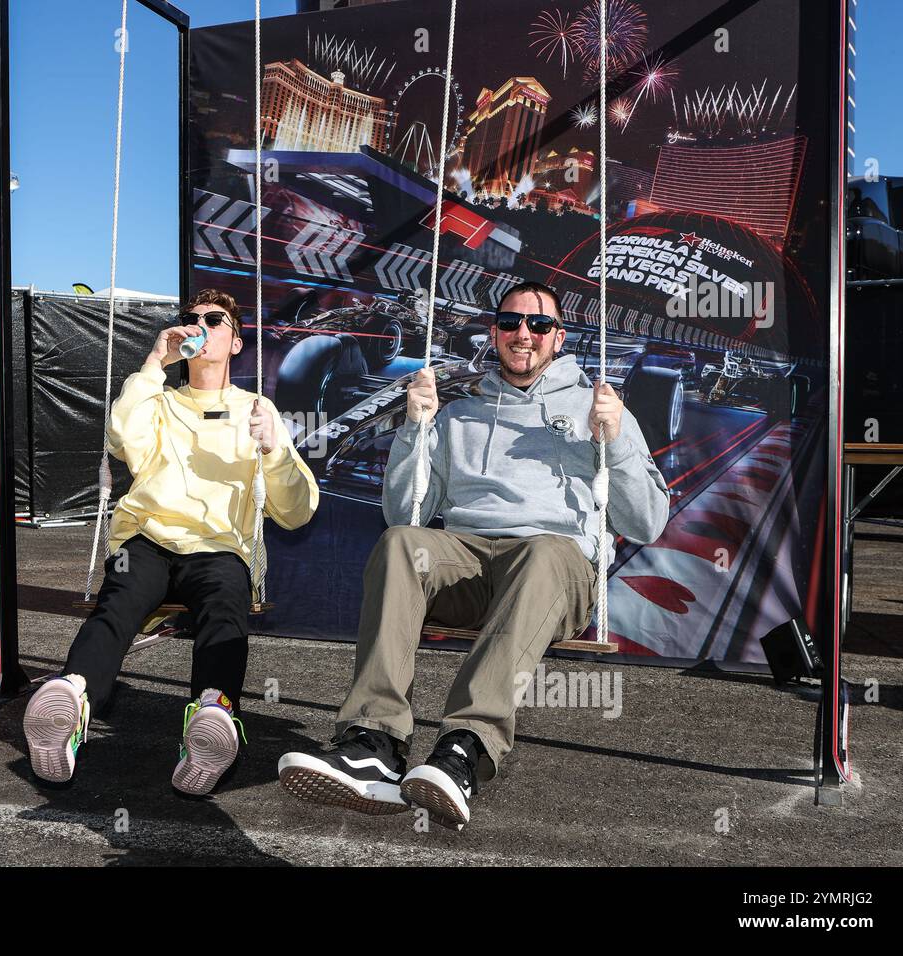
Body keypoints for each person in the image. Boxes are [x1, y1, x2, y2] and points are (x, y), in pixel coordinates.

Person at [278, 280, 670, 829]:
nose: (523, 335)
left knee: (544, 553)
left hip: (556, 570)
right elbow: (403, 513)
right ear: (494, 332)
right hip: (469, 562)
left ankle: (466, 747)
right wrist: (414, 430)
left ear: (558, 339)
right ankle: (374, 741)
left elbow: (648, 522)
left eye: (538, 326)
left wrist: (618, 439)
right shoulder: (458, 413)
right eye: (510, 323)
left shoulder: (596, 408)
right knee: (400, 546)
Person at [24, 289, 319, 796]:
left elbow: (297, 511)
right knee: (117, 603)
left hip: (218, 547)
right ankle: (71, 698)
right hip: (146, 537)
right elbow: (120, 437)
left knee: (226, 605)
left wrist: (272, 450)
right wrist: (154, 361)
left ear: (236, 341)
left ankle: (212, 717)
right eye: (190, 318)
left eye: (214, 319)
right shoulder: (156, 400)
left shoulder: (257, 409)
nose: (198, 325)